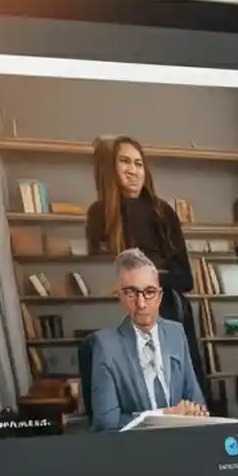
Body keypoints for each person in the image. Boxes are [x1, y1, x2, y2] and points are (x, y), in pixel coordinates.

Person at [86, 135, 203, 391]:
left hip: (167, 310)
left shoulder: (163, 212)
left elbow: (185, 278)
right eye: (124, 161)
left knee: (178, 389)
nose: (133, 170)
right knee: (132, 390)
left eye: (138, 163)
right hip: (120, 314)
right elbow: (97, 270)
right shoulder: (98, 213)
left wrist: (147, 282)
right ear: (111, 167)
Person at [89, 248, 207, 432]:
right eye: (131, 293)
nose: (141, 303)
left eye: (149, 292)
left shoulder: (176, 333)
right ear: (120, 296)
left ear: (160, 296)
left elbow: (198, 402)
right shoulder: (105, 345)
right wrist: (165, 415)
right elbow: (106, 423)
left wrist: (195, 412)